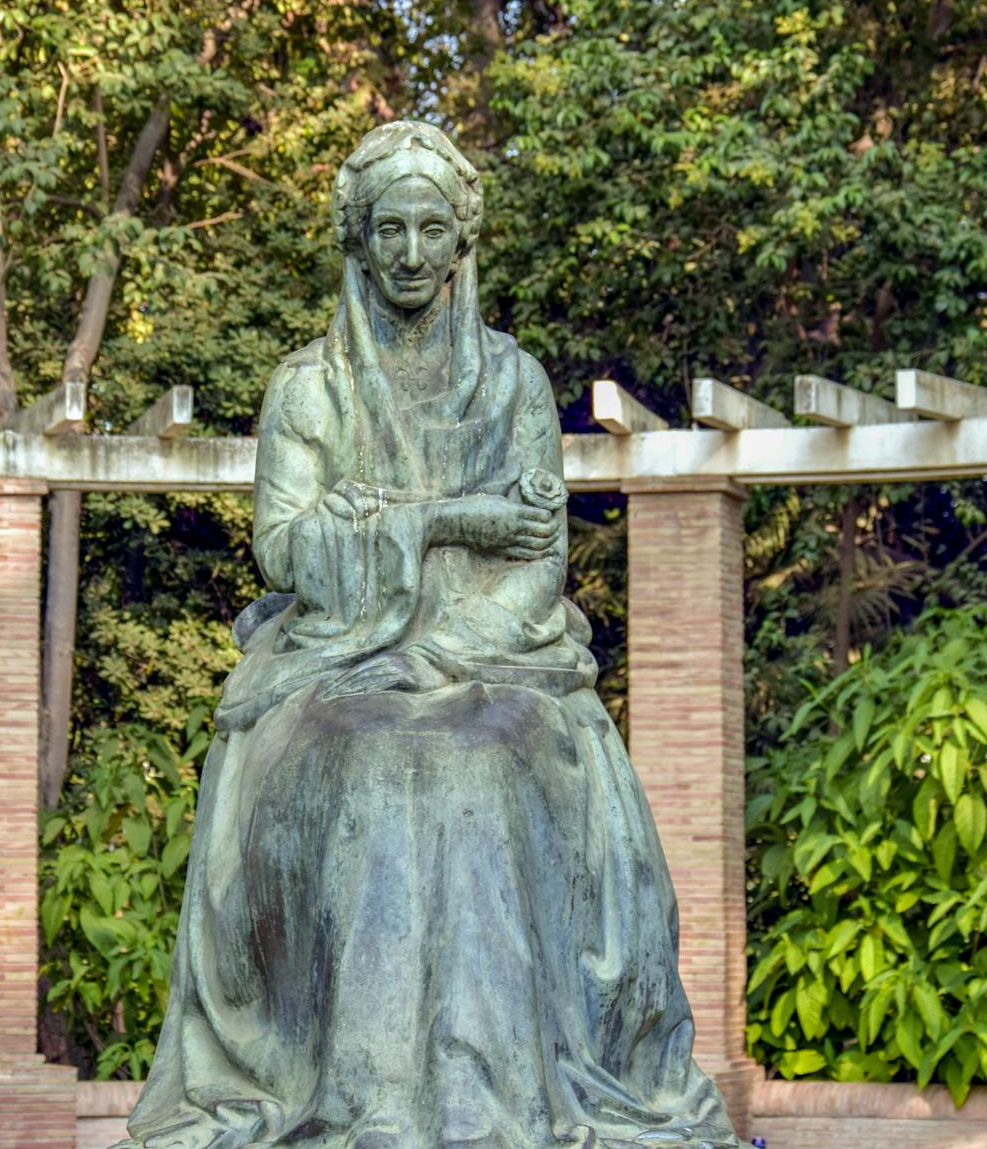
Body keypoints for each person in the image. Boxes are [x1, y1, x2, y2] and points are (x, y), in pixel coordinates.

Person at [116, 121, 740, 1149]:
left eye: (429, 229)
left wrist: (443, 647)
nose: (409, 252)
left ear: (461, 243)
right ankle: (370, 1104)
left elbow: (537, 569)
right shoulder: (304, 388)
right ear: (357, 241)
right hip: (329, 662)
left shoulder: (511, 384)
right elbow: (280, 545)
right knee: (368, 762)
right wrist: (445, 524)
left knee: (479, 757)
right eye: (388, 229)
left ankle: (482, 1103)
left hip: (500, 663)